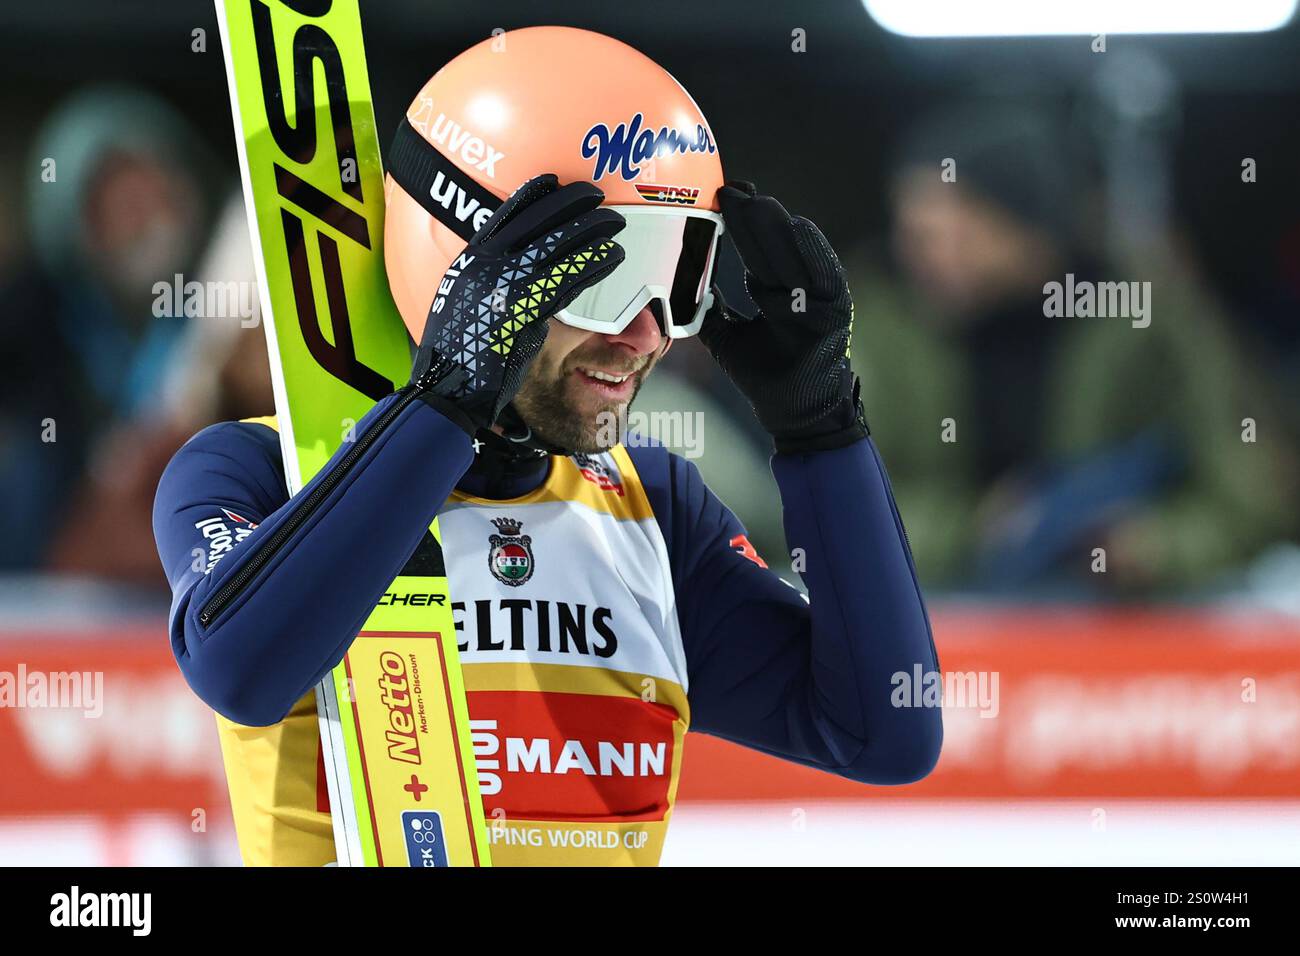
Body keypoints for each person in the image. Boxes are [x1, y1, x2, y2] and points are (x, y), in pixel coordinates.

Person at [153, 26, 940, 866]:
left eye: (678, 276)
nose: (648, 334)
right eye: (598, 277)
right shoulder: (258, 469)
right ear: (462, 261)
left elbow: (884, 730)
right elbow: (240, 670)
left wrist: (823, 431)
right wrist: (449, 397)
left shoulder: (657, 510)